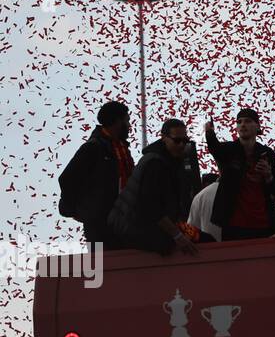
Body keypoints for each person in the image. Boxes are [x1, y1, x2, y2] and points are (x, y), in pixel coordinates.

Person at [107, 119, 201, 256]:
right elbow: (151, 207)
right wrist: (177, 236)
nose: (182, 145)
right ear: (163, 138)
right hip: (134, 229)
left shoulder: (167, 161)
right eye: (177, 141)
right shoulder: (155, 164)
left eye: (185, 141)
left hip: (141, 226)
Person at [58, 101, 134, 249]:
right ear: (117, 121)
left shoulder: (121, 148)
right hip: (99, 225)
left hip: (122, 219)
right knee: (103, 267)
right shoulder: (93, 148)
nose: (129, 125)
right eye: (127, 120)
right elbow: (67, 178)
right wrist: (84, 212)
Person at [202, 109, 275, 240]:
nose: (242, 125)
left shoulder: (267, 153)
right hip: (234, 223)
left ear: (258, 126)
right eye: (239, 122)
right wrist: (209, 132)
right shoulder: (229, 150)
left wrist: (268, 176)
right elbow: (215, 148)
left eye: (248, 121)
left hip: (263, 222)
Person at [187, 173, 222, 242]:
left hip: (210, 247)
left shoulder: (200, 196)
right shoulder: (244, 192)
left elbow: (191, 228)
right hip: (242, 246)